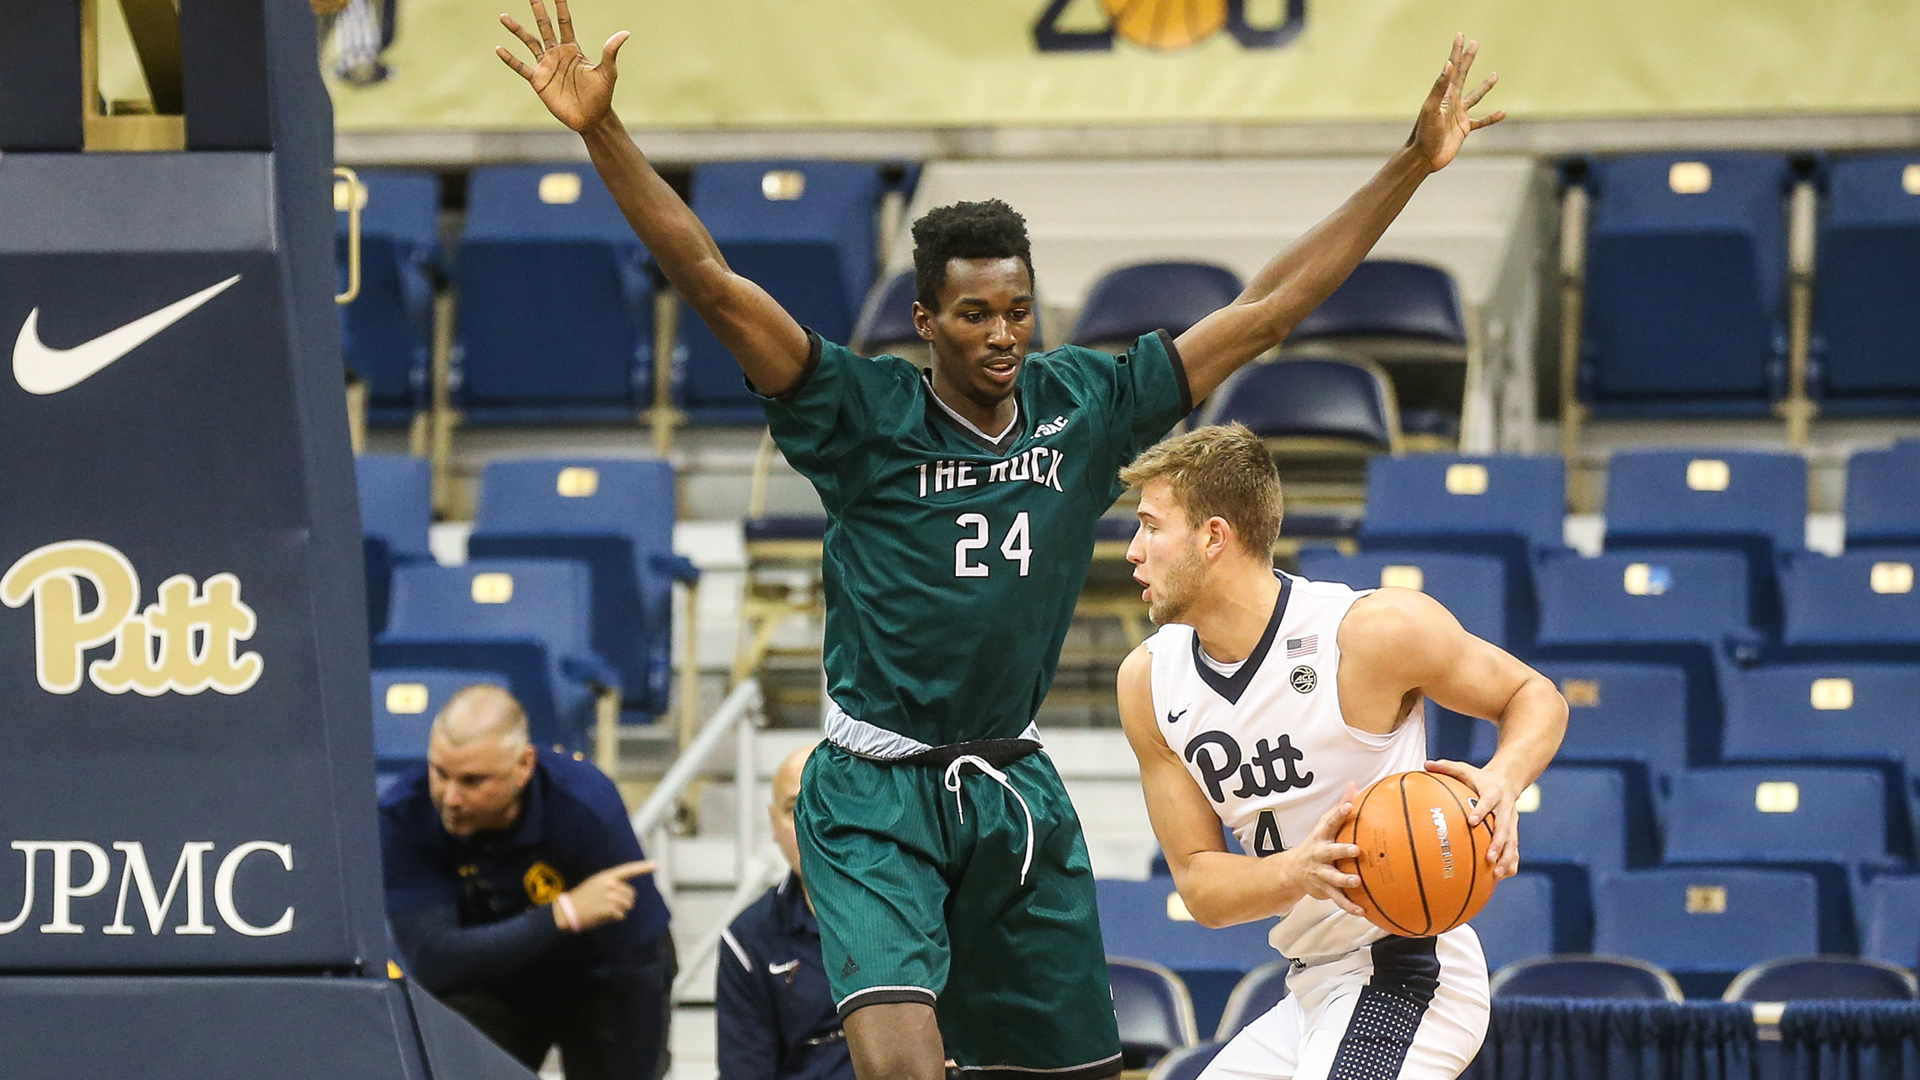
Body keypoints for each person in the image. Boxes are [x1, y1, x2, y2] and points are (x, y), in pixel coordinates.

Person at [494, 4, 1504, 1076]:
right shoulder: (860, 412)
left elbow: (1265, 310)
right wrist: (603, 131)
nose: (1003, 334)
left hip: (1010, 781)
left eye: (1018, 310)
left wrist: (1412, 162)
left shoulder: (1085, 406)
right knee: (898, 1064)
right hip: (874, 789)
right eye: (974, 314)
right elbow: (712, 280)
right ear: (925, 321)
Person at [1114, 425, 1567, 1080]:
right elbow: (1201, 887)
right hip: (1311, 983)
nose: (1132, 551)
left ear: (1213, 537)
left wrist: (1505, 776)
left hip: (1411, 968)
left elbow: (1534, 695)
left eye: (1151, 527)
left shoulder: (1371, 632)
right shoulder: (1148, 682)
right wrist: (1297, 872)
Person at [379, 684, 675, 1080]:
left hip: (597, 982)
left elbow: (641, 959)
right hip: (491, 985)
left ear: (524, 766)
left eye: (472, 781)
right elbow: (434, 961)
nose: (450, 798)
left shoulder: (585, 804)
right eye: (440, 773)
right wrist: (561, 914)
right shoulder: (405, 813)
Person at [717, 744, 857, 1080]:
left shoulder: (920, 911)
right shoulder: (747, 939)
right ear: (773, 823)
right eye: (794, 808)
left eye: (825, 802)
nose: (811, 824)